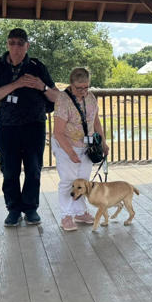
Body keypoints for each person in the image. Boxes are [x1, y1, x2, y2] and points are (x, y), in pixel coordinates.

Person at [0, 28, 59, 227]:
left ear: (27, 46)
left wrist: (41, 86)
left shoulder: (37, 66)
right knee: (10, 170)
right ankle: (13, 210)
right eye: (12, 42)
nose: (15, 47)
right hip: (7, 127)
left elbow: (57, 97)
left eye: (20, 43)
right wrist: (15, 84)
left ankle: (31, 208)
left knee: (34, 169)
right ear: (7, 44)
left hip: (35, 125)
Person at [51, 67, 109, 231]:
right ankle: (66, 215)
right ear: (71, 84)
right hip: (66, 144)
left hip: (87, 146)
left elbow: (95, 121)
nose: (83, 91)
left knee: (83, 181)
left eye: (86, 87)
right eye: (79, 88)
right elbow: (58, 132)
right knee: (68, 181)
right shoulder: (63, 100)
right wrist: (70, 153)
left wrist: (103, 142)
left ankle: (80, 212)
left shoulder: (90, 97)